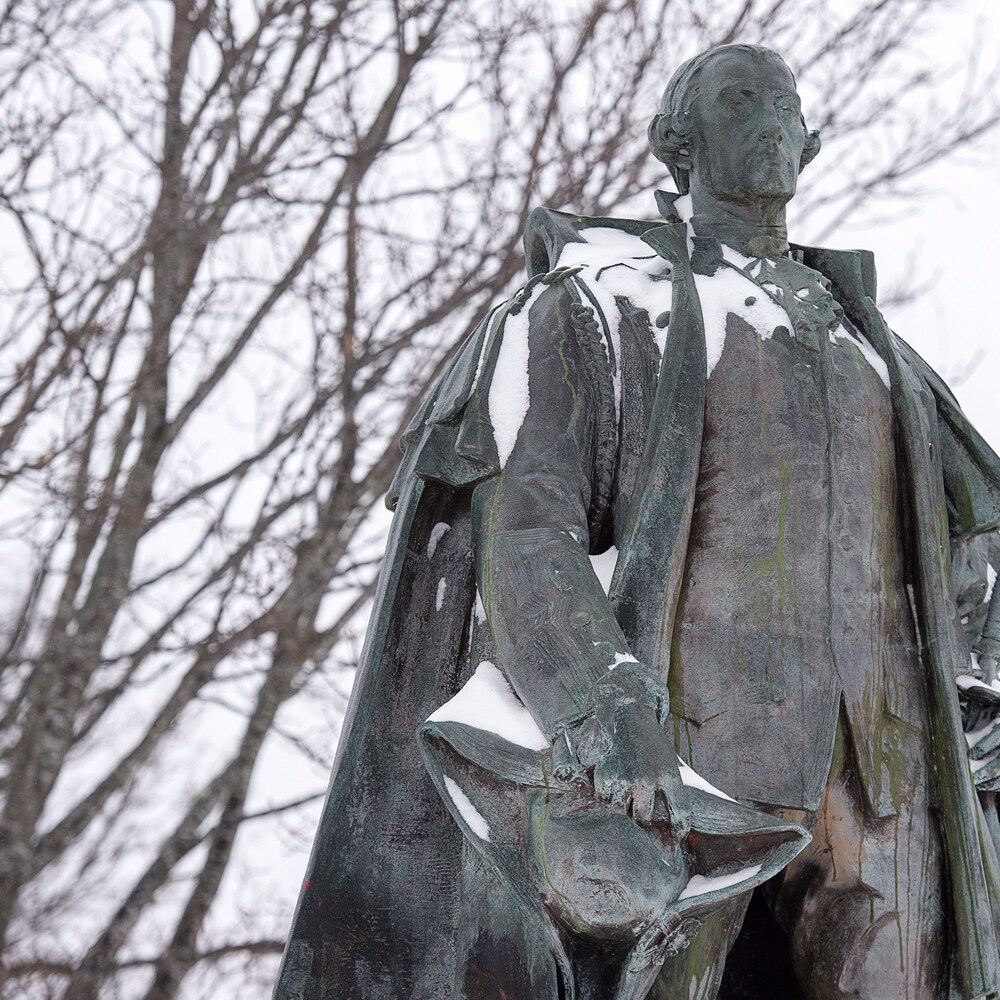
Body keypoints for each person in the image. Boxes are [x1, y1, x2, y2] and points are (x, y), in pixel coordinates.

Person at [274, 44, 1000, 1000]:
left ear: (812, 143)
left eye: (786, 105)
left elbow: (977, 532)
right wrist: (601, 706)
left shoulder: (873, 348)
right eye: (741, 100)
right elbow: (529, 527)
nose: (771, 120)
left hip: (888, 772)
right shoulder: (608, 303)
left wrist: (982, 682)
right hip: (687, 768)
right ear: (676, 143)